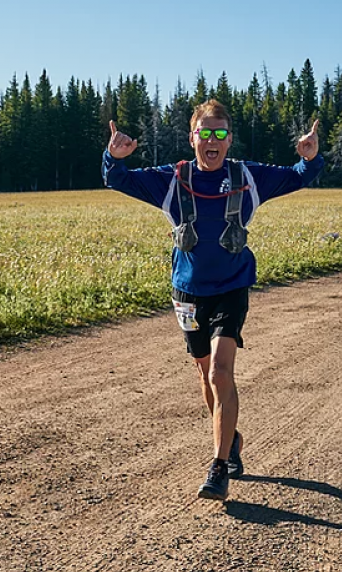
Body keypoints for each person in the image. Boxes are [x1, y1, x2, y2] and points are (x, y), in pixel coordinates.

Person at [102, 99, 323, 501]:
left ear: (229, 139)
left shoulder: (246, 177)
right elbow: (120, 180)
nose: (213, 140)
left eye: (220, 133)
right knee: (204, 374)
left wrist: (310, 158)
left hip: (231, 287)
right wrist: (113, 157)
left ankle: (218, 465)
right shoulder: (173, 179)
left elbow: (298, 176)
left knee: (222, 371)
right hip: (186, 292)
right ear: (192, 138)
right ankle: (231, 437)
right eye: (206, 133)